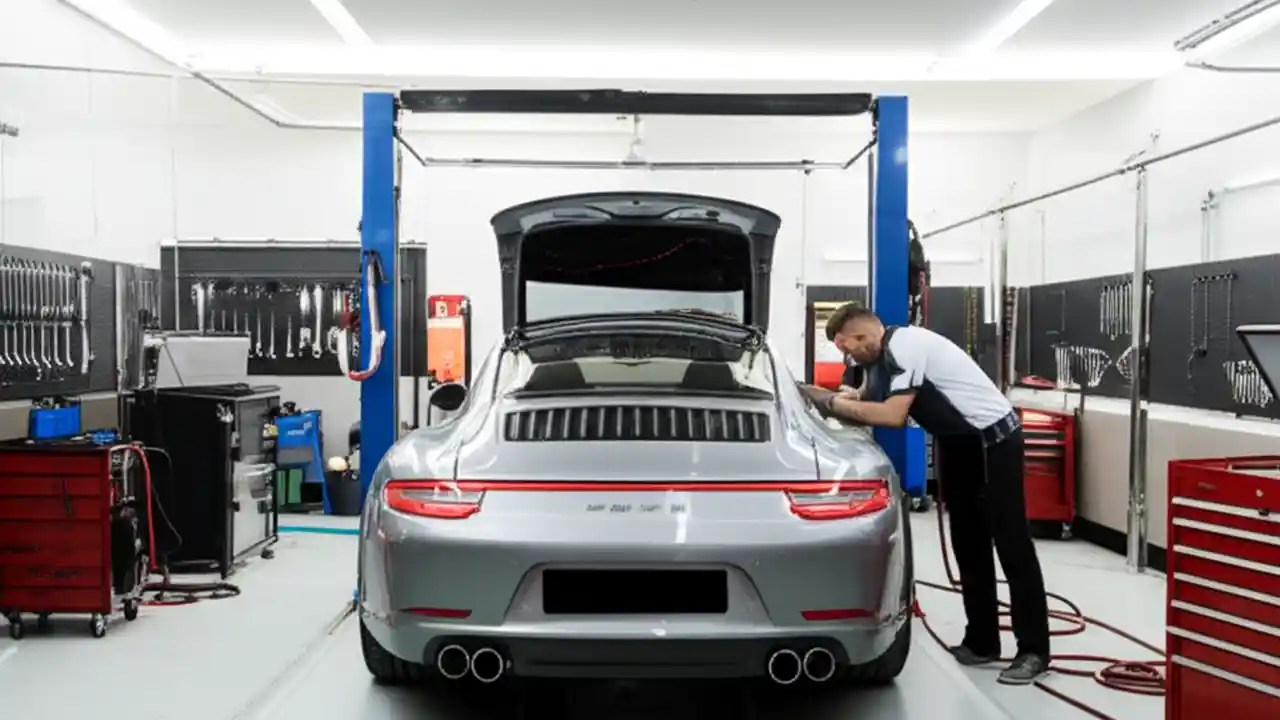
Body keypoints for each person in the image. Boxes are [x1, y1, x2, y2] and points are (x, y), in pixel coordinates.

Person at [809, 303, 1051, 685]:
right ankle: (983, 640)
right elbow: (861, 397)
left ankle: (1035, 649)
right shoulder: (877, 360)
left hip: (993, 439)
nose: (847, 356)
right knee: (967, 541)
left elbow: (892, 416)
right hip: (958, 443)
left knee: (1011, 543)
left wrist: (833, 404)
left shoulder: (906, 346)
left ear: (863, 335)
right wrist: (813, 394)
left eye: (847, 348)